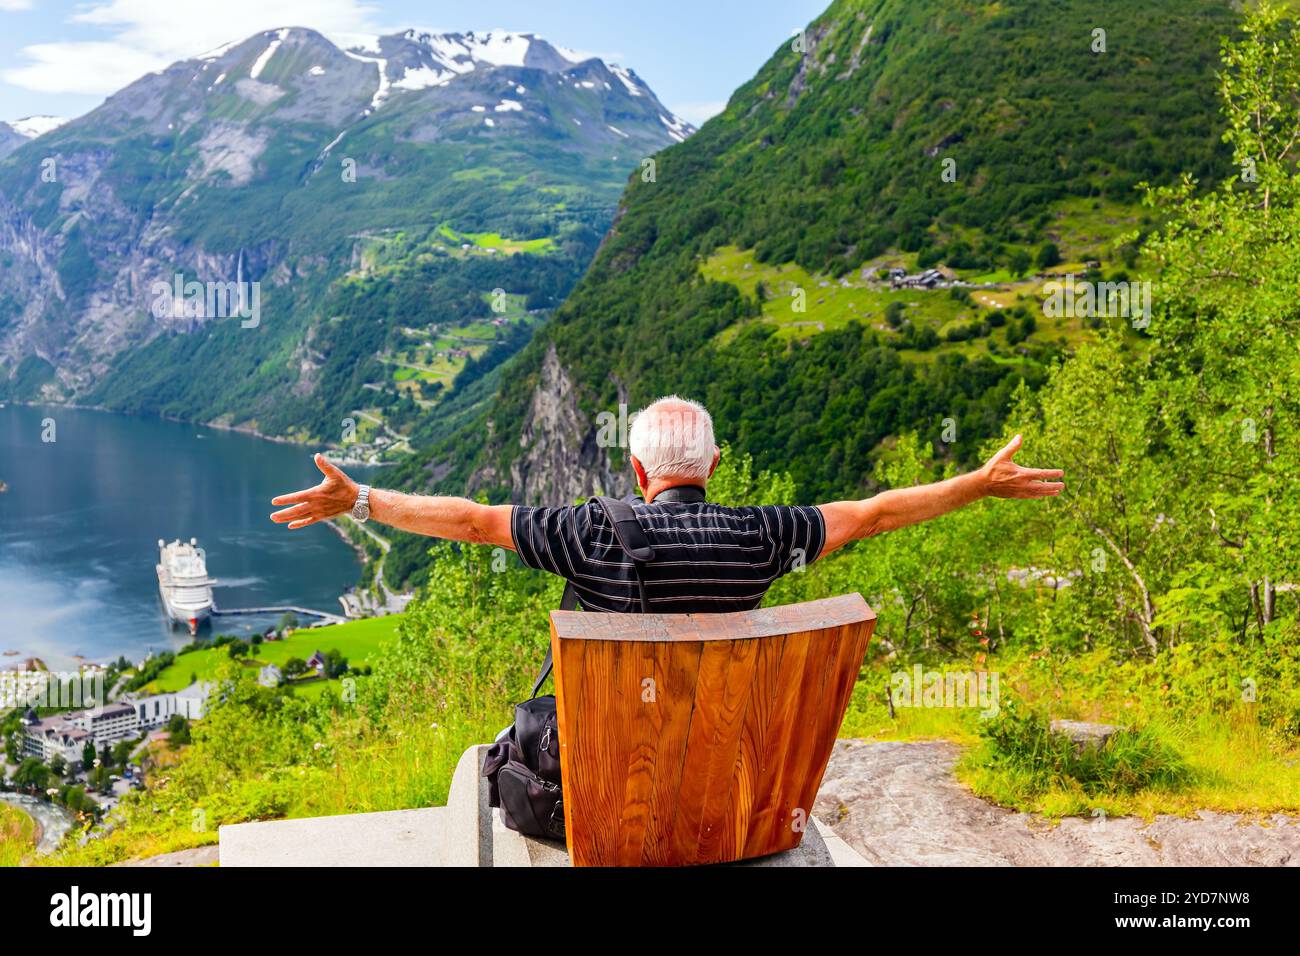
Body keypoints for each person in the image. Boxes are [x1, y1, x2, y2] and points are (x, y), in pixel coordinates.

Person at [270, 395, 1063, 612]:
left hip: (608, 769)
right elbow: (880, 509)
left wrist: (364, 500)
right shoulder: (767, 537)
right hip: (728, 767)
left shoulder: (585, 535)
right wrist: (979, 484)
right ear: (714, 466)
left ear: (638, 473)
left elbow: (473, 520)